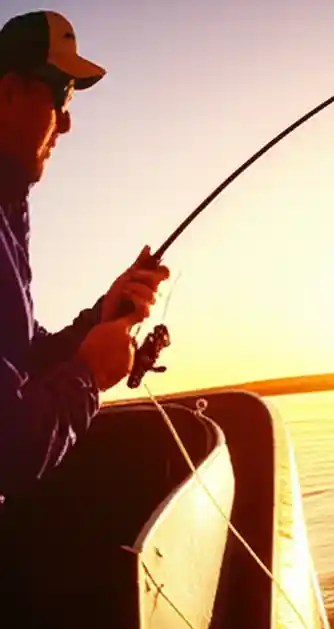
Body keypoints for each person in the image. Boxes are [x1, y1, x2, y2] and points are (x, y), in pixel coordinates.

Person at [0, 10, 169, 496]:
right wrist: (90, 375)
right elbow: (8, 448)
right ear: (9, 92)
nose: (68, 122)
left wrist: (101, 319)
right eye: (61, 95)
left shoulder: (9, 211)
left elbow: (24, 359)